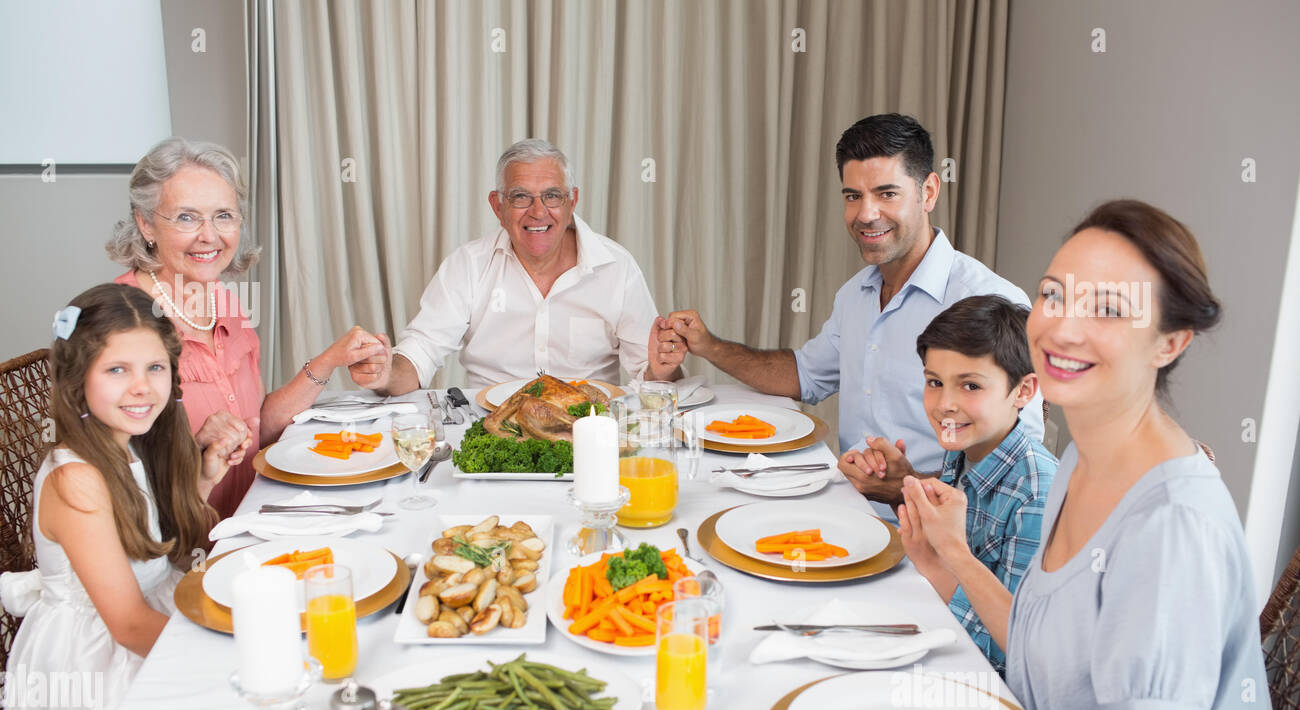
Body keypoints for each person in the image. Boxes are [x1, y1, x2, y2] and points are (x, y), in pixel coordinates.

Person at [998, 199, 1300, 710]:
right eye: (1054, 294)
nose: (1062, 325)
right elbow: (1049, 641)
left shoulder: (1171, 529)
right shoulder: (1082, 453)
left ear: (1171, 342)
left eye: (1107, 308)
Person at [652, 114, 1043, 515]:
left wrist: (905, 487)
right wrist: (709, 345)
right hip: (850, 513)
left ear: (928, 192)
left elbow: (1018, 475)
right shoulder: (855, 295)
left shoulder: (990, 301)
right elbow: (803, 375)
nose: (866, 214)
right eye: (853, 196)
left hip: (940, 544)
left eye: (886, 193)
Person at [1, 284, 242, 710]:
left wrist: (204, 479)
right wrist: (227, 657)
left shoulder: (125, 443)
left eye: (155, 367)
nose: (142, 387)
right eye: (117, 370)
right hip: (93, 667)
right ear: (77, 381)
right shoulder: (77, 480)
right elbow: (130, 625)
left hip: (141, 618)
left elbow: (149, 541)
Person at [107, 138, 388, 518]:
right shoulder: (120, 321)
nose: (210, 235)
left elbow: (259, 427)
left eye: (224, 215)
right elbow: (113, 483)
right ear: (146, 224)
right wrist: (196, 449)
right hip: (185, 548)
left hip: (254, 516)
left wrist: (329, 361)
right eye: (187, 217)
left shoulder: (223, 301)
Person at [351, 138, 679, 395]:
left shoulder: (616, 267)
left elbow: (651, 377)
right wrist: (385, 373)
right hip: (490, 430)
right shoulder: (468, 266)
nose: (538, 212)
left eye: (552, 196)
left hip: (587, 433)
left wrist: (663, 367)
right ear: (498, 205)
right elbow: (419, 355)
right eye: (521, 197)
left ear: (572, 201)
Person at [882, 295, 1057, 673]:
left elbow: (1015, 654)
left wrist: (935, 561)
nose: (945, 403)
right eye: (934, 382)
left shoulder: (1038, 495)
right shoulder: (965, 449)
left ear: (1024, 391)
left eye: (971, 386)